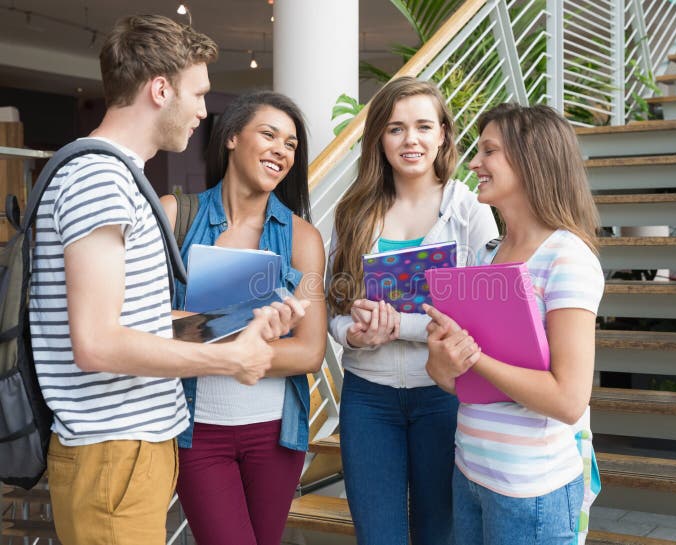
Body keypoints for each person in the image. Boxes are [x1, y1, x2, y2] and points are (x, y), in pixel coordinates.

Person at [30, 15, 307, 545]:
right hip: (115, 452)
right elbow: (98, 344)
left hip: (128, 455)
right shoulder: (100, 180)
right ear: (160, 89)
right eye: (198, 93)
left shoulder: (114, 178)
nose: (205, 111)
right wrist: (228, 359)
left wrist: (245, 322)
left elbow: (141, 322)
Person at [326, 76, 499, 545]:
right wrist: (352, 336)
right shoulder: (354, 212)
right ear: (379, 138)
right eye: (396, 128)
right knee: (377, 536)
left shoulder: (470, 211)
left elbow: (479, 317)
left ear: (443, 133)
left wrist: (400, 325)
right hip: (368, 398)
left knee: (437, 535)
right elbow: (335, 306)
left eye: (424, 126)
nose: (411, 140)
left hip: (441, 395)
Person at [424, 103, 604, 545]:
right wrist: (442, 358)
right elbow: (456, 382)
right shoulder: (488, 253)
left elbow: (568, 399)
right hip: (470, 472)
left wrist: (476, 358)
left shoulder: (568, 258)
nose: (473, 163)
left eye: (489, 151)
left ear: (530, 160)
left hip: (530, 490)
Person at [159, 91, 327, 545]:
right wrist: (243, 335)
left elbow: (310, 351)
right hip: (199, 433)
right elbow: (144, 326)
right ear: (231, 137)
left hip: (275, 435)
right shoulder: (176, 217)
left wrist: (203, 329)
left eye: (291, 144)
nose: (282, 150)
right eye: (269, 134)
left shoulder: (302, 238)